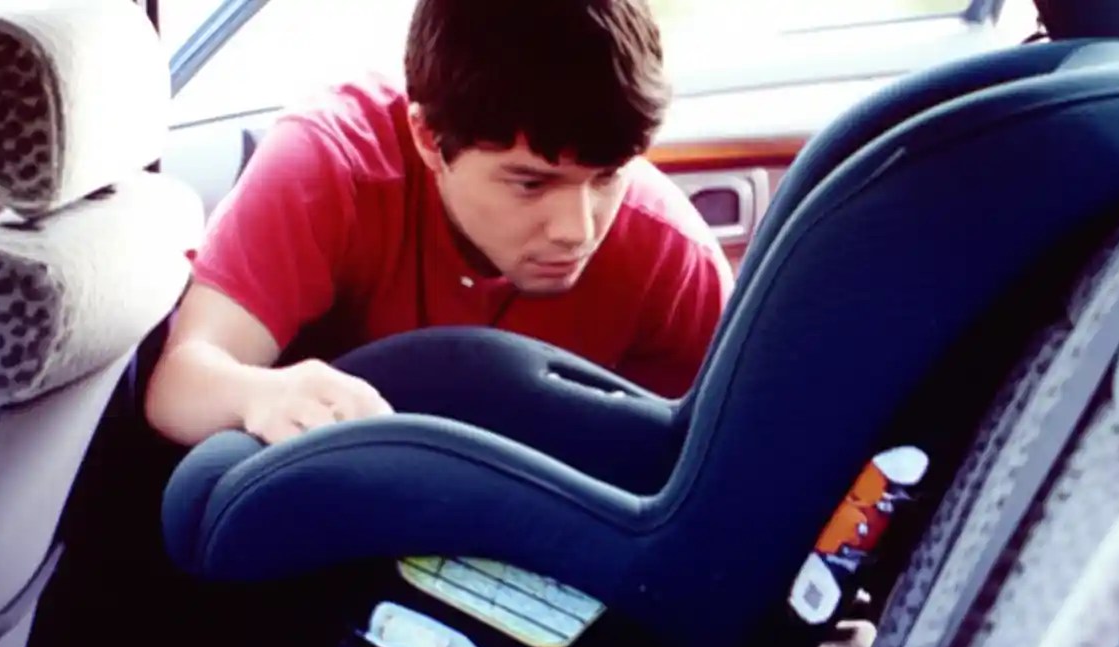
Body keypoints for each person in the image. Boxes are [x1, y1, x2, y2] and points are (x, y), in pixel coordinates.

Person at [144, 0, 735, 448]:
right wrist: (263, 395)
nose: (577, 230)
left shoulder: (671, 253)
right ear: (428, 137)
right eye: (531, 184)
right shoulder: (332, 167)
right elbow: (181, 382)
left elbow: (732, 461)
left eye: (607, 176)